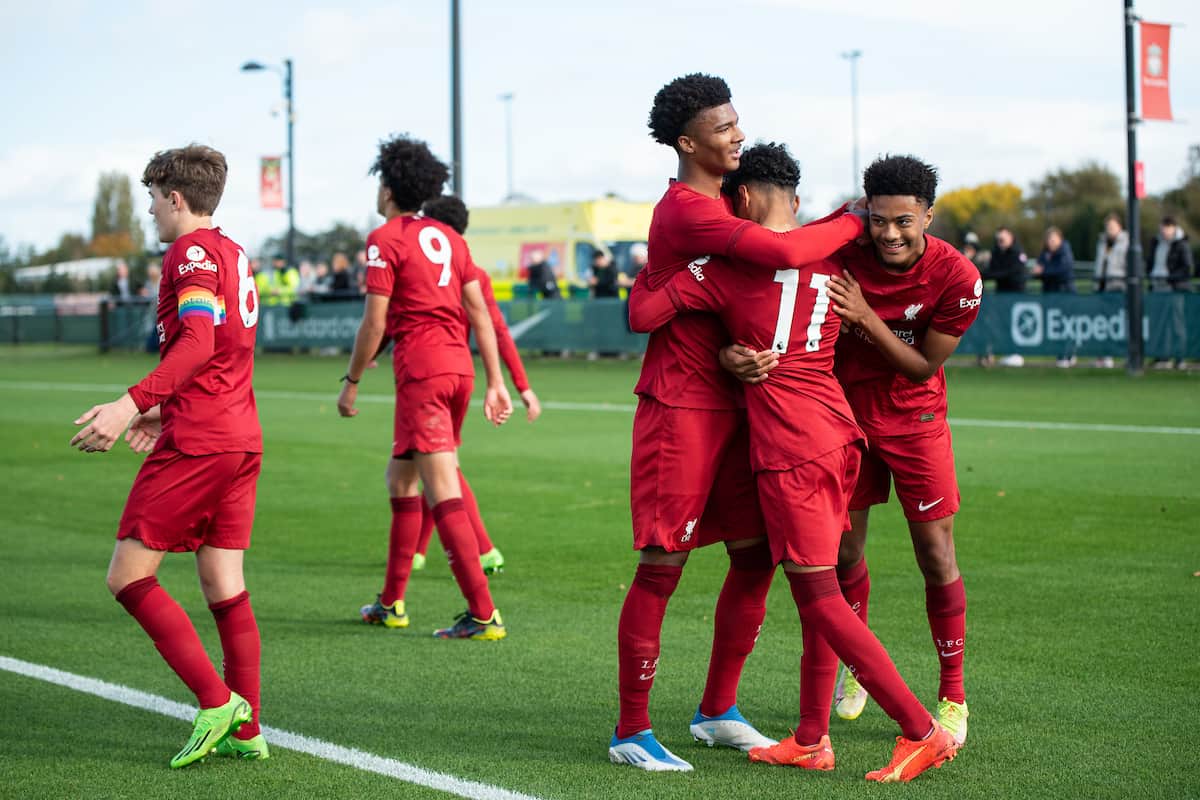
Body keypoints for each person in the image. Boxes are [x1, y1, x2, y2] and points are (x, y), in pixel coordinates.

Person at [629, 143, 960, 782]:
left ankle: (921, 729)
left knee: (820, 594)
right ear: (799, 202)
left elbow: (644, 313)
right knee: (819, 590)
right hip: (841, 435)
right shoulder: (836, 255)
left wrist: (664, 277)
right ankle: (812, 737)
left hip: (791, 449)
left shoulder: (727, 268)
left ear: (742, 201)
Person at [609, 73, 866, 772]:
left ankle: (717, 710)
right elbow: (780, 254)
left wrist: (727, 346)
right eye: (724, 128)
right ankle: (632, 730)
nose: (738, 136)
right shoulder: (687, 211)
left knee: (753, 557)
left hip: (735, 401)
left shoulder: (726, 199)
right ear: (688, 142)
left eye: (737, 123)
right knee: (664, 562)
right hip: (682, 406)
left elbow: (679, 294)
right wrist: (853, 219)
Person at [70, 144, 267, 766]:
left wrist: (131, 403)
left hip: (203, 441)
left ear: (175, 197)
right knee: (223, 582)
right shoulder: (232, 251)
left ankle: (217, 702)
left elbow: (199, 343)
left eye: (153, 198)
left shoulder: (190, 252)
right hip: (239, 435)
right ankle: (247, 728)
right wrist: (163, 408)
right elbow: (224, 350)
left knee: (127, 575)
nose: (151, 210)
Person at [813, 155, 981, 750]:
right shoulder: (844, 247)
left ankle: (954, 695)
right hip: (847, 418)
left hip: (916, 419)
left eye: (904, 221)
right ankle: (859, 668)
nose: (888, 233)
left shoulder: (959, 277)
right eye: (878, 219)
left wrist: (864, 316)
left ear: (928, 216)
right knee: (841, 548)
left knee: (936, 555)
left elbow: (923, 365)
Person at [337, 135, 513, 640]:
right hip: (458, 369)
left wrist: (350, 383)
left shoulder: (385, 238)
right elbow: (480, 312)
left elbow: (374, 324)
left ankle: (483, 614)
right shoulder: (451, 239)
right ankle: (391, 602)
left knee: (441, 488)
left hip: (424, 373)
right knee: (401, 480)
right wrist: (495, 382)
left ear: (389, 186)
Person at [409, 193, 543, 574]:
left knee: (441, 466)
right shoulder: (475, 273)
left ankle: (484, 550)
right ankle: (417, 551)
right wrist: (521, 386)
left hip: (429, 373)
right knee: (437, 464)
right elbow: (498, 331)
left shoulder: (425, 272)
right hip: (462, 376)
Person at [984, 227, 1027, 367]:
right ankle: (1009, 353)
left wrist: (987, 275)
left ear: (1011, 237)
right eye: (999, 240)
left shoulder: (1017, 253)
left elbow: (1010, 273)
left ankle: (1016, 353)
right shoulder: (996, 252)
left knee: (1014, 324)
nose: (1000, 242)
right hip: (1001, 294)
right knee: (1003, 324)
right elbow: (993, 270)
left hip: (1016, 294)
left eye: (1003, 239)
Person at [1094, 213, 1129, 367]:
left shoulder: (1127, 243)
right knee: (1104, 325)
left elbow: (1130, 266)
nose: (1110, 230)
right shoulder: (1102, 243)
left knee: (1121, 324)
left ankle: (1128, 355)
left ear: (1119, 227)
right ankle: (1105, 356)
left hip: (1119, 288)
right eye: (1108, 227)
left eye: (1112, 227)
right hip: (1103, 288)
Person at [1147, 215, 1195, 293]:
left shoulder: (1182, 244)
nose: (1164, 230)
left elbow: (1187, 267)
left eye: (1167, 227)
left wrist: (1170, 278)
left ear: (1174, 228)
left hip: (1174, 288)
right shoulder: (1156, 243)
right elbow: (1150, 262)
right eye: (1162, 227)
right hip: (1155, 286)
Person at [1034, 226, 1075, 294]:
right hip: (1048, 292)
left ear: (1060, 239)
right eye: (1048, 238)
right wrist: (1037, 272)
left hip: (1064, 292)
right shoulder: (1045, 253)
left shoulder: (1065, 251)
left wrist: (1043, 271)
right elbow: (1038, 269)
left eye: (1053, 238)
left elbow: (1062, 269)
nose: (1051, 241)